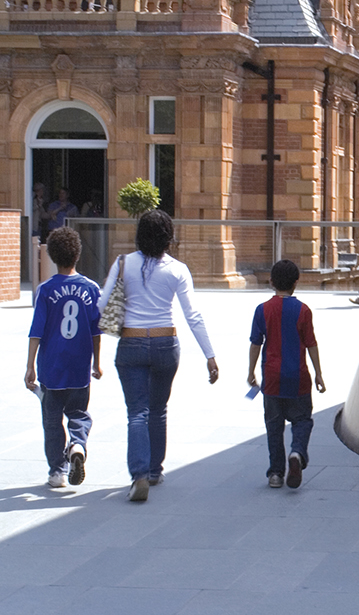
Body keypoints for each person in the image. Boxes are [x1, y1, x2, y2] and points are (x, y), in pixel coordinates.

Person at [98, 209, 219, 502]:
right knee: (158, 408)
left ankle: (138, 475)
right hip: (166, 343)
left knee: (136, 411)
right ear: (168, 237)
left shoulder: (123, 262)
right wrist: (210, 355)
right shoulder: (178, 269)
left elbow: (101, 305)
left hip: (132, 342)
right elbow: (194, 316)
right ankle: (154, 470)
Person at [25, 226, 102, 488]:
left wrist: (30, 366)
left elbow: (37, 331)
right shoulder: (91, 289)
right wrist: (98, 362)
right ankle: (78, 445)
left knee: (52, 420)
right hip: (80, 367)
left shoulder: (45, 291)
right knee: (79, 413)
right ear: (77, 255)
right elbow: (96, 330)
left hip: (51, 368)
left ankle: (57, 472)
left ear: (53, 256)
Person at [248, 259, 326, 489]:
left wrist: (251, 370)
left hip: (271, 378)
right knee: (302, 420)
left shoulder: (262, 310)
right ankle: (297, 453)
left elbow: (255, 343)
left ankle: (275, 473)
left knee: (274, 426)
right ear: (296, 282)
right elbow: (311, 343)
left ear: (271, 282)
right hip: (298, 376)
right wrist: (319, 373)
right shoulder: (303, 310)